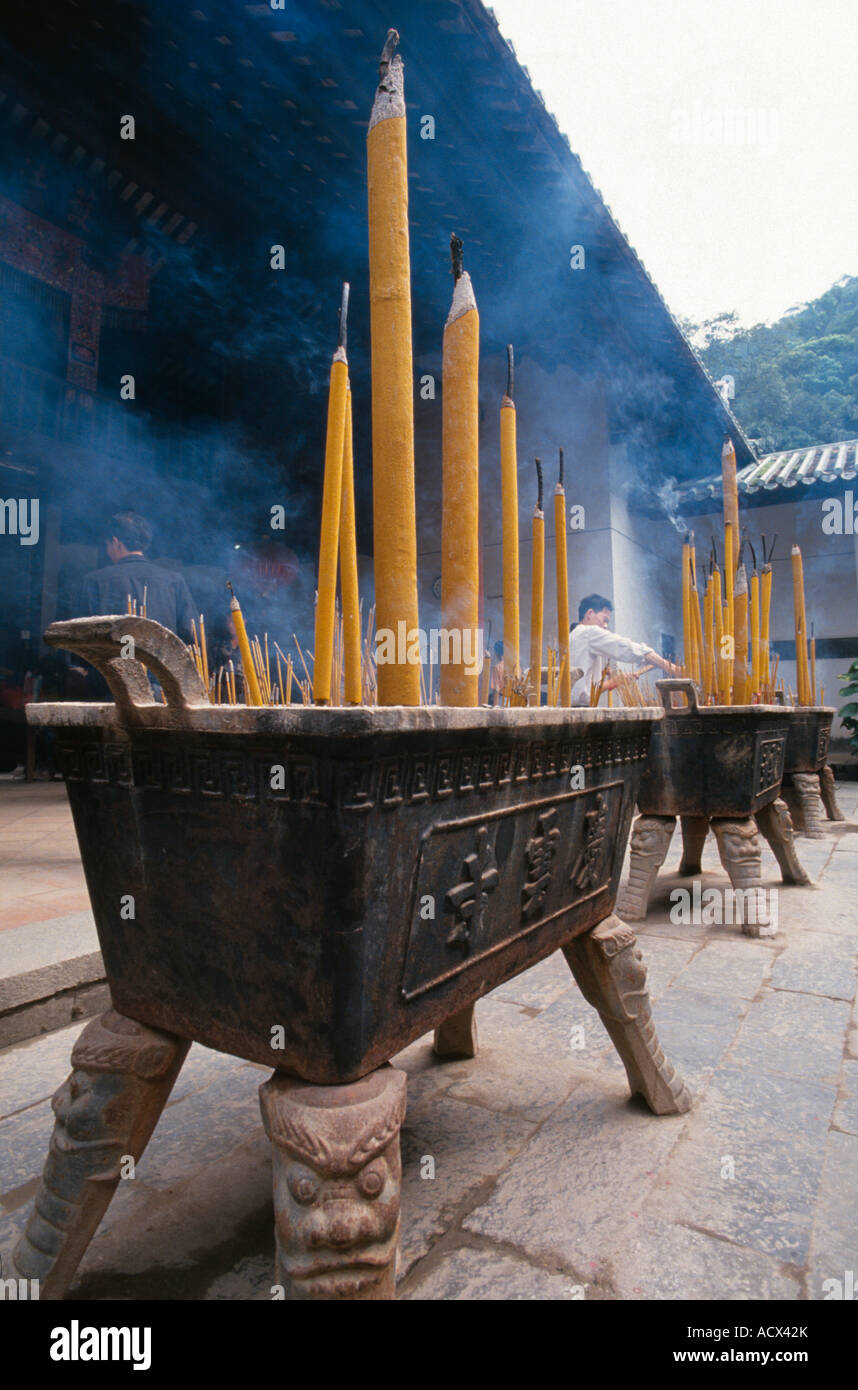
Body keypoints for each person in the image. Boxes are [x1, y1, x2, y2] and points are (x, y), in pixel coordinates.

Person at [79, 512, 197, 641]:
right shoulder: (174, 581)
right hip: (161, 660)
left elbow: (79, 637)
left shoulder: (94, 581)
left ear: (115, 541)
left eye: (107, 544)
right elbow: (192, 633)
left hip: (110, 660)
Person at [569, 593, 681, 706]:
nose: (605, 625)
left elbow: (585, 690)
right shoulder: (588, 633)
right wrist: (669, 667)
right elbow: (625, 647)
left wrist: (615, 681)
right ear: (590, 613)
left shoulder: (575, 635)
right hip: (575, 711)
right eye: (604, 619)